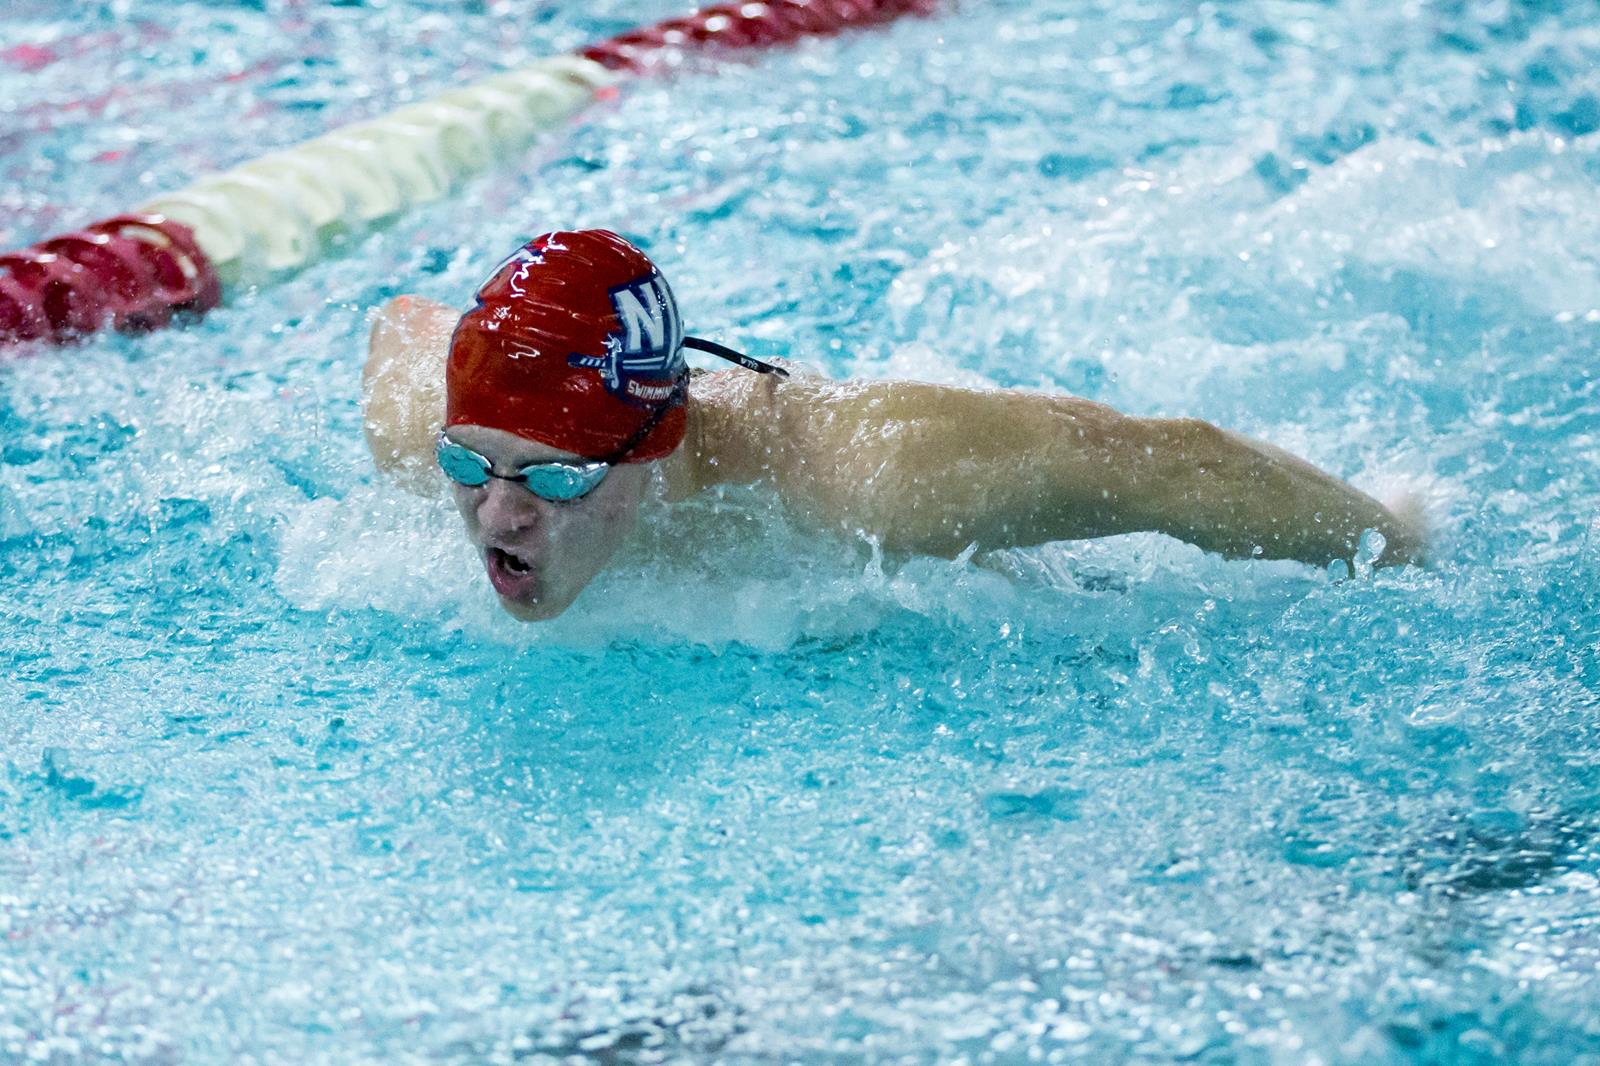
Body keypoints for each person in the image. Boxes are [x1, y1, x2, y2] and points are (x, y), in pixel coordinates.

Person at [362, 229, 1426, 621]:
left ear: (655, 447)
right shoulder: (425, 418)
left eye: (551, 480)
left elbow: (1171, 465)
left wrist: (1395, 537)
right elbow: (395, 329)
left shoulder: (866, 479)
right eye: (475, 465)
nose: (494, 514)